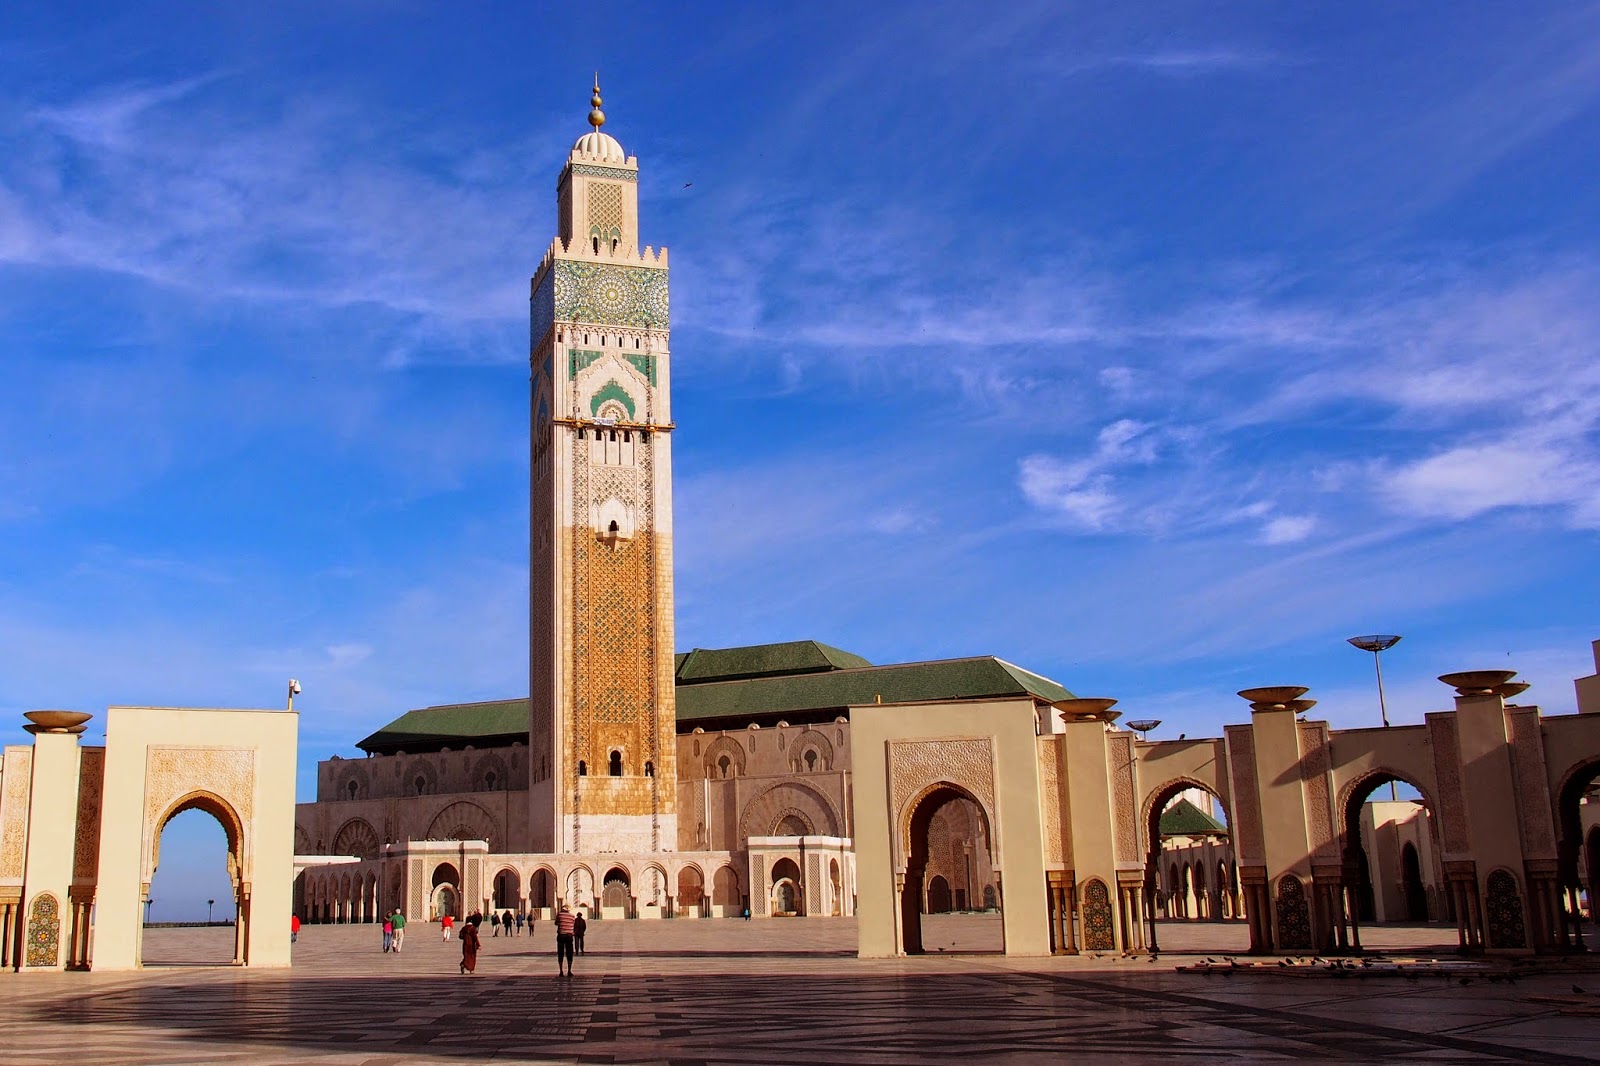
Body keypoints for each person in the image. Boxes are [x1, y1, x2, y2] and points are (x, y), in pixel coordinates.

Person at [554, 904, 576, 975]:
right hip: (569, 935)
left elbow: (556, 923)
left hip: (561, 935)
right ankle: (569, 970)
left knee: (560, 953)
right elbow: (573, 924)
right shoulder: (572, 916)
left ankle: (561, 971)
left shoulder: (559, 915)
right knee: (569, 953)